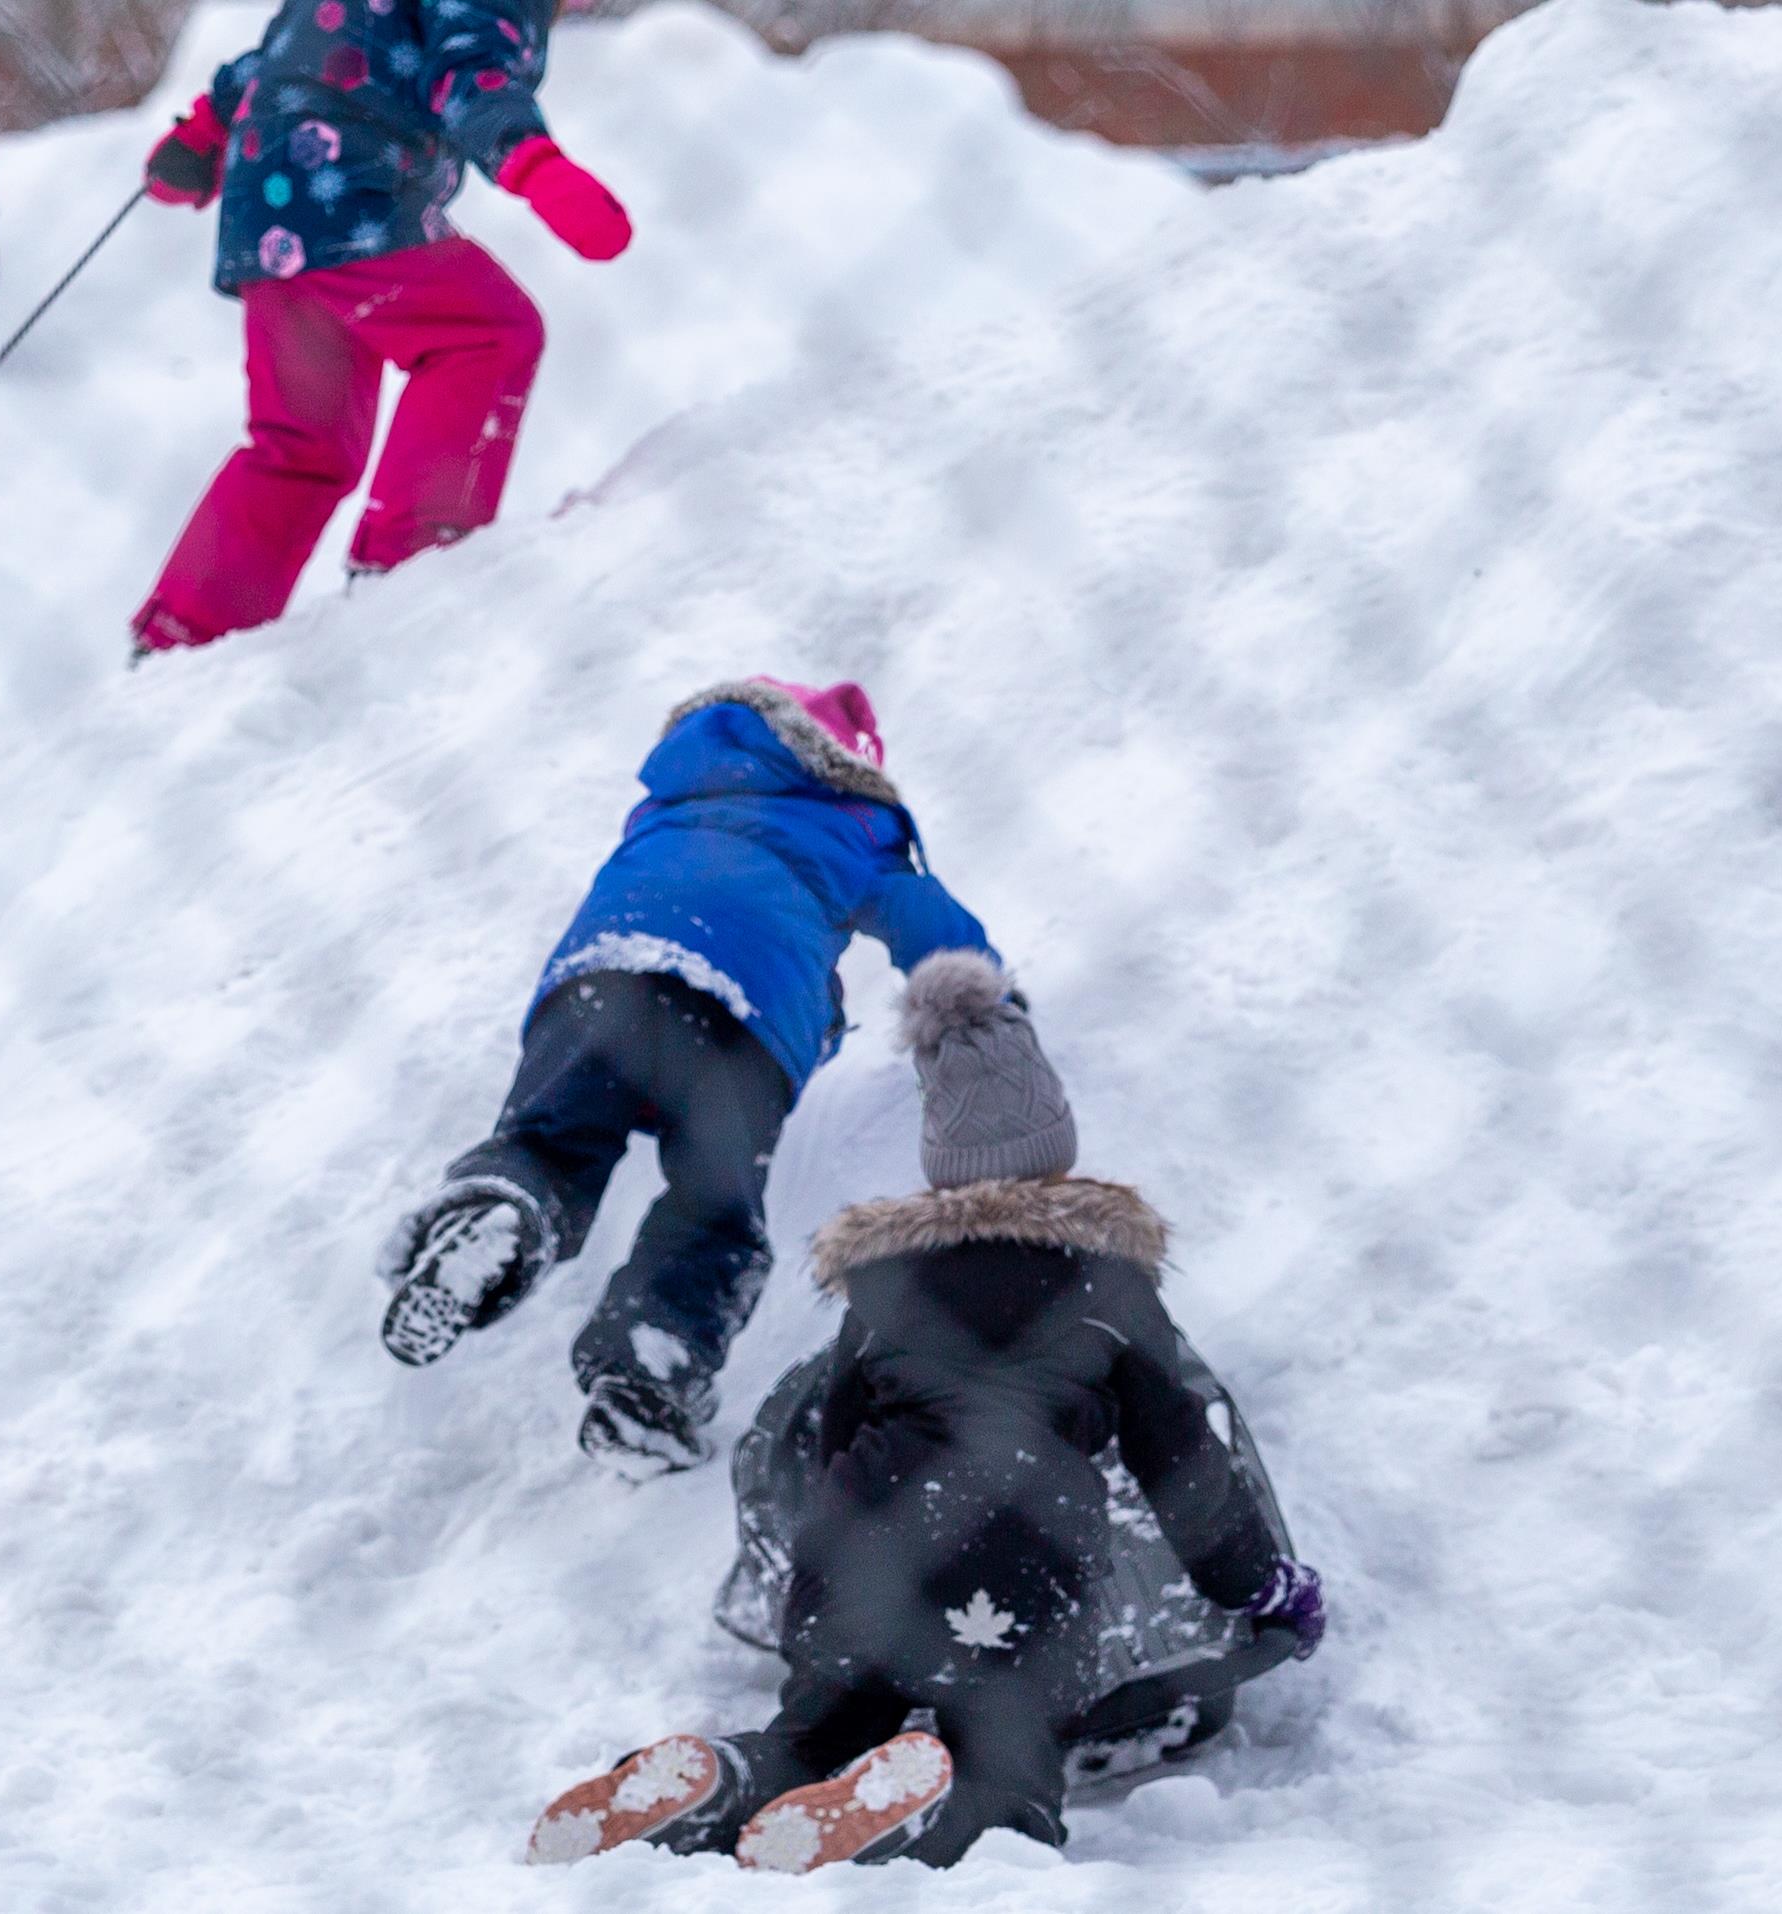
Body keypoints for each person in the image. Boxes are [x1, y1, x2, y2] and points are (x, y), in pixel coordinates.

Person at [521, 953, 1328, 1874]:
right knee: (1012, 1758)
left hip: (864, 1537)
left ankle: (723, 1777)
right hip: (1021, 1544)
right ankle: (948, 1797)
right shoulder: (1105, 1283)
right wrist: (1262, 1586)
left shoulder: (884, 1285)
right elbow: (1181, 1462)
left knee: (819, 1729)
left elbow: (828, 1440)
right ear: (1055, 1145)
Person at [377, 680, 994, 1478]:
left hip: (601, 980)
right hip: (740, 1013)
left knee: (550, 1143)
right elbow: (933, 931)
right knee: (713, 1207)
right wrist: (982, 1005)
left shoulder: (670, 798)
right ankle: (648, 1365)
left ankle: (503, 1207)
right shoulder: (850, 822)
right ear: (850, 765)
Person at [127, 0, 632, 657]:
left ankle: (184, 633)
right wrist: (537, 167)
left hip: (267, 209)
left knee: (303, 444)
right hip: (352, 196)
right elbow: (470, 74)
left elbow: (283, 53)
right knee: (488, 332)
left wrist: (203, 131)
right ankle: (412, 564)